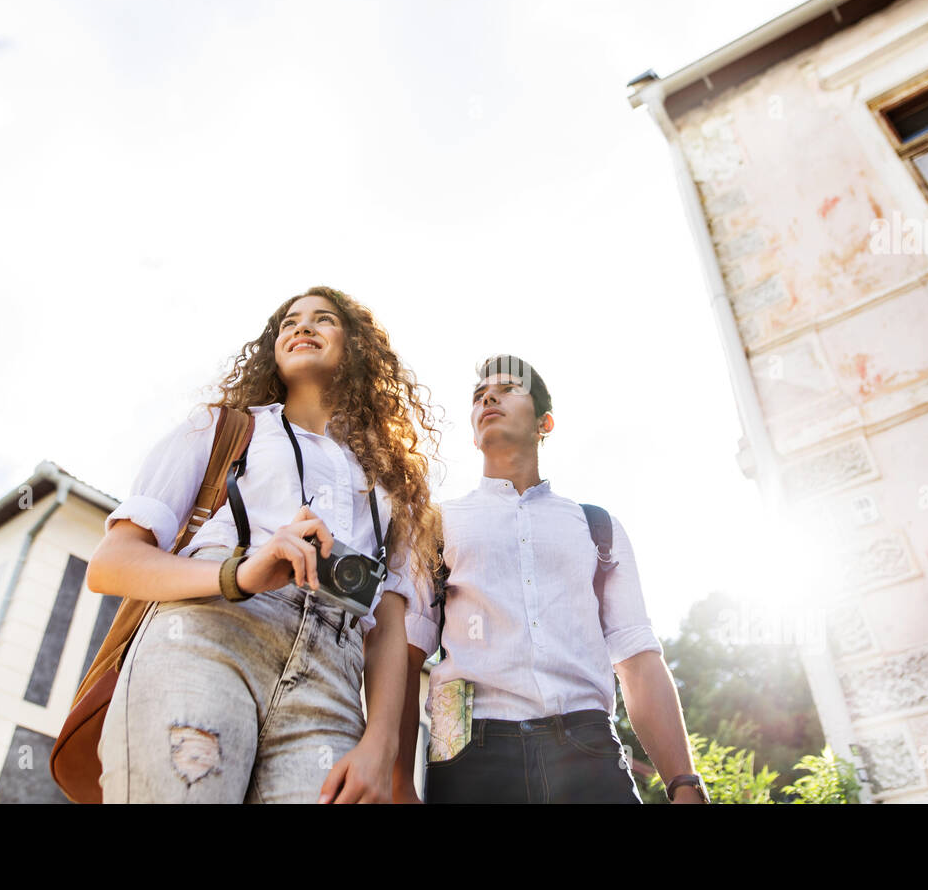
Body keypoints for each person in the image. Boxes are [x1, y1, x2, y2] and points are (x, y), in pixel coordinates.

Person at [88, 286, 442, 803]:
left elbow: (389, 622)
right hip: (208, 637)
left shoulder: (392, 490)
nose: (302, 327)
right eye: (289, 323)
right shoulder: (222, 428)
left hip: (332, 683)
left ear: (358, 350)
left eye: (324, 320)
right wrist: (241, 573)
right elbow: (112, 563)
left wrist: (382, 747)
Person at [390, 354, 710, 804]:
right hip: (467, 753)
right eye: (479, 395)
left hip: (589, 751)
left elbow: (637, 659)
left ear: (545, 423)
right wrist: (399, 782)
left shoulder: (596, 527)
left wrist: (683, 782)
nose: (488, 397)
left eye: (506, 388)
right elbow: (406, 653)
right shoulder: (436, 524)